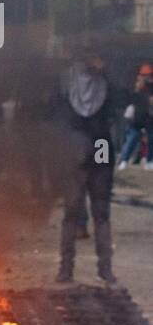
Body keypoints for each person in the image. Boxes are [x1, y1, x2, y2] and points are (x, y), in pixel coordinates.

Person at [56, 45, 116, 284]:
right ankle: (66, 269)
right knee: (73, 212)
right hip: (80, 148)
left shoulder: (105, 82)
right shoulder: (66, 80)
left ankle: (103, 268)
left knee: (100, 211)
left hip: (94, 147)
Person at [116, 63, 153, 171]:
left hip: (149, 118)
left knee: (151, 138)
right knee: (132, 138)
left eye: (148, 75)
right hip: (137, 117)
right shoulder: (137, 85)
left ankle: (150, 161)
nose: (146, 77)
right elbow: (133, 97)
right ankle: (124, 160)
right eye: (144, 75)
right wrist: (139, 86)